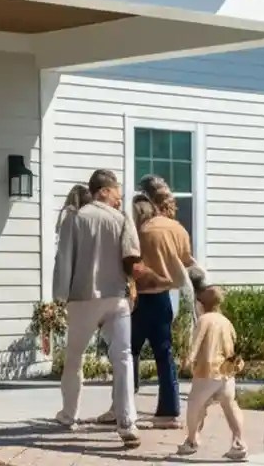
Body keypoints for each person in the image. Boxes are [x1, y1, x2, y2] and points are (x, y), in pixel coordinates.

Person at [96, 175, 197, 429]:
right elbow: (186, 263)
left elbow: (130, 263)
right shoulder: (178, 229)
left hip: (140, 300)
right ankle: (170, 411)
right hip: (165, 299)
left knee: (128, 353)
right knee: (165, 354)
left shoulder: (139, 231)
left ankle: (122, 406)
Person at [52, 170, 142, 447]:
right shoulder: (122, 220)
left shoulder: (74, 218)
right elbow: (131, 257)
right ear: (102, 190)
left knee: (75, 357)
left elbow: (64, 259)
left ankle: (69, 415)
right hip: (116, 297)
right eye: (116, 191)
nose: (119, 197)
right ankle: (127, 423)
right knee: (123, 358)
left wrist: (59, 295)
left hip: (82, 298)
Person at [179, 285, 248, 462]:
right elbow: (232, 346)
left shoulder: (203, 320)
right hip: (227, 371)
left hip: (207, 371)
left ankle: (192, 440)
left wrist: (188, 360)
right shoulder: (226, 321)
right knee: (230, 405)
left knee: (194, 405)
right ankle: (239, 443)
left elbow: (197, 342)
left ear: (201, 304)